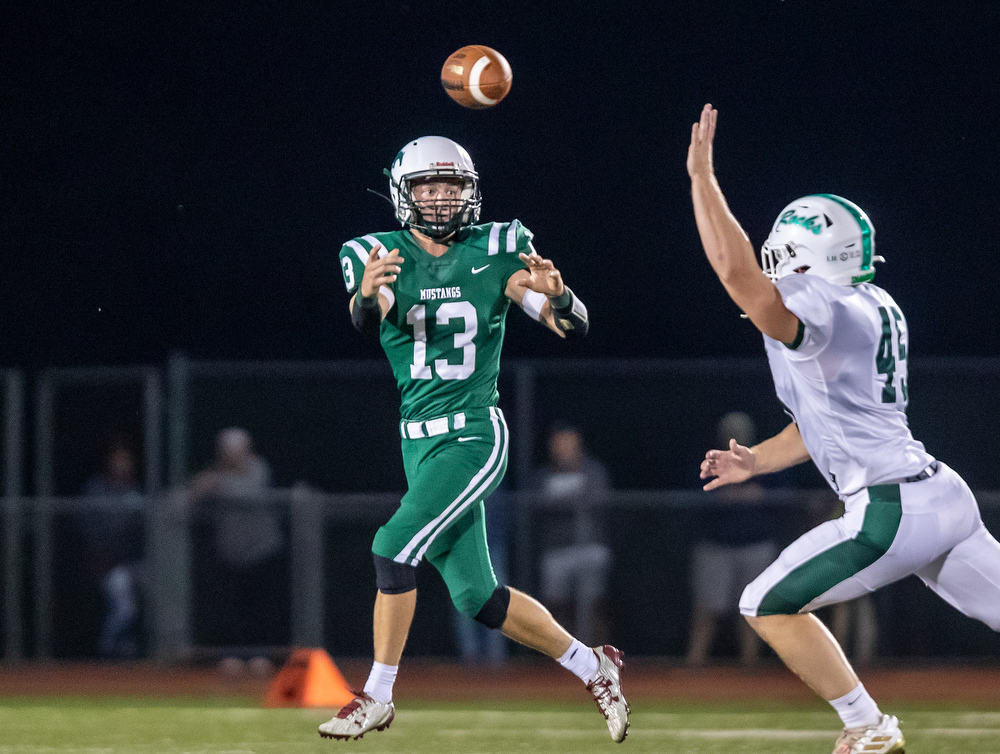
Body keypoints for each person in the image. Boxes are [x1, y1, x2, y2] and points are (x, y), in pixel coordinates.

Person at [688, 103, 1000, 754]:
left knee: (764, 602)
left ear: (802, 256)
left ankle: (868, 725)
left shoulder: (820, 303)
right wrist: (758, 463)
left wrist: (701, 178)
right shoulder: (874, 302)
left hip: (889, 507)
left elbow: (738, 277)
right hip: (940, 493)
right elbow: (824, 423)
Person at [320, 136, 628, 743]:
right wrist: (364, 293)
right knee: (478, 598)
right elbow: (367, 317)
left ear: (471, 192)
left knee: (392, 547)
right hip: (416, 440)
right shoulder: (372, 254)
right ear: (402, 194)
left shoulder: (499, 246)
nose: (440, 200)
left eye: (452, 188)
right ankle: (596, 666)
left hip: (472, 434)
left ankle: (377, 694)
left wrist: (558, 293)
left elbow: (571, 323)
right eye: (428, 189)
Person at [685, 411, 778, 669]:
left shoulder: (763, 458)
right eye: (730, 433)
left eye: (740, 432)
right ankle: (693, 668)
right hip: (716, 545)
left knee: (751, 611)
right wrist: (728, 496)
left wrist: (749, 494)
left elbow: (777, 493)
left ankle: (750, 668)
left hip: (755, 544)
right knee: (707, 610)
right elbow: (697, 493)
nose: (735, 437)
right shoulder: (711, 460)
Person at [189, 427, 286, 669]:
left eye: (236, 451)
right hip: (229, 553)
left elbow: (249, 493)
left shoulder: (259, 469)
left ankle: (260, 656)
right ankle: (231, 655)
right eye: (227, 451)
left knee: (261, 609)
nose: (231, 456)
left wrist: (217, 483)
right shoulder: (215, 474)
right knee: (231, 609)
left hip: (262, 551)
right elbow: (190, 495)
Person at [528, 422, 613, 647]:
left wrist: (559, 502)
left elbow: (595, 501)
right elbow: (539, 506)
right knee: (555, 606)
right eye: (560, 443)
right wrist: (573, 501)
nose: (564, 447)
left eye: (569, 442)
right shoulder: (542, 476)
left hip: (590, 547)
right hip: (556, 550)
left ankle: (601, 655)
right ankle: (564, 658)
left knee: (594, 603)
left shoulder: (594, 471)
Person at [78, 441, 145, 659]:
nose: (122, 465)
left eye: (126, 461)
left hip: (131, 562)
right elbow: (90, 531)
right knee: (125, 608)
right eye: (118, 461)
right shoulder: (96, 488)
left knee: (135, 606)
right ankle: (107, 648)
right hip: (106, 561)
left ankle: (127, 647)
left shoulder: (135, 492)